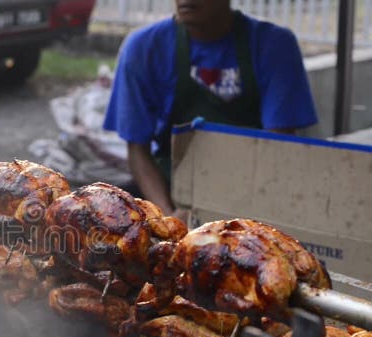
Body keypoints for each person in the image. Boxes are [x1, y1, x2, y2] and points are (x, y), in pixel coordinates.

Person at [104, 0, 317, 218]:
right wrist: (168, 219)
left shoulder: (274, 46)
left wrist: (223, 214)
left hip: (256, 192)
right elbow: (138, 150)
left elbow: (279, 150)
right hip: (170, 191)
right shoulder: (143, 48)